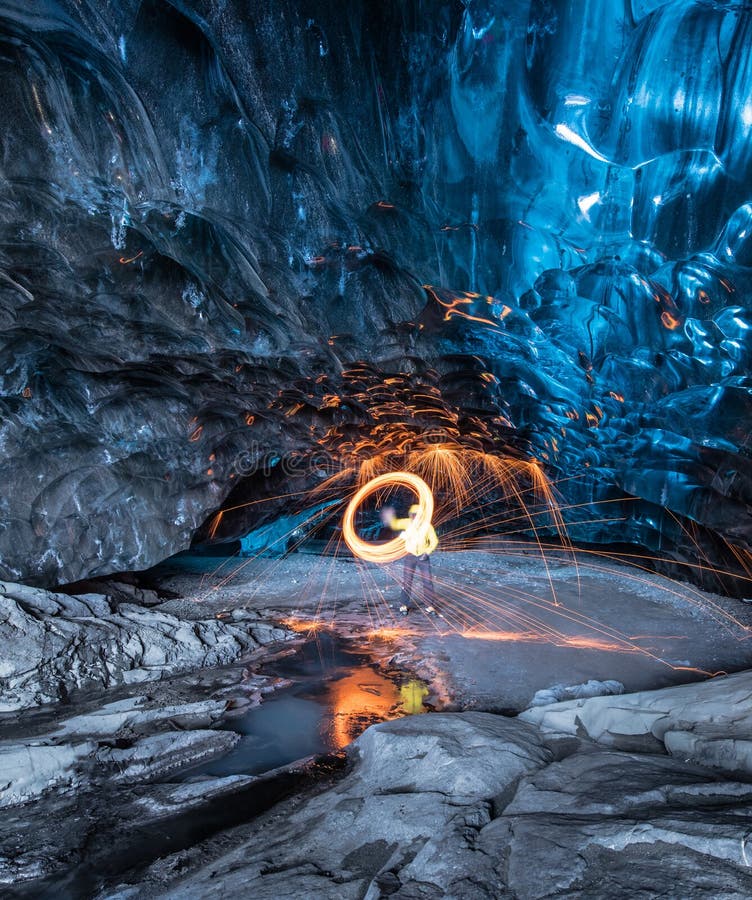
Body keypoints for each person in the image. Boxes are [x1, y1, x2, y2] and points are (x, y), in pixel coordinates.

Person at [380, 503, 439, 616]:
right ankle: (403, 605)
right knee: (407, 581)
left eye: (416, 515)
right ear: (410, 515)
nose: (414, 517)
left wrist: (427, 552)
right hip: (410, 556)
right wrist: (389, 517)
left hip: (423, 557)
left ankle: (430, 606)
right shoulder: (407, 522)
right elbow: (395, 524)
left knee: (427, 581)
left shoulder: (427, 526)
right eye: (412, 514)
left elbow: (434, 540)